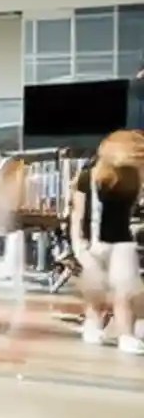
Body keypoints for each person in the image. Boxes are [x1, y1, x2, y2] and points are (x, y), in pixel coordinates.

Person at [69, 130, 144, 352]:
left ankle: (126, 334)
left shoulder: (132, 178)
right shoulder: (87, 178)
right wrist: (78, 244)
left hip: (121, 242)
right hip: (93, 242)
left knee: (124, 293)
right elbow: (77, 214)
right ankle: (93, 325)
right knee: (95, 292)